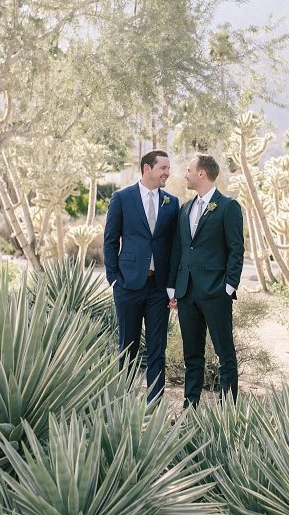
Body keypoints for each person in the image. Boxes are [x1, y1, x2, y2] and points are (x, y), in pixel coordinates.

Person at [168, 153, 244, 408]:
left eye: (189, 170)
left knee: (225, 354)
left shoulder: (227, 206)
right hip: (187, 293)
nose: (185, 174)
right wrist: (174, 288)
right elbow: (179, 250)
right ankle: (190, 407)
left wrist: (228, 286)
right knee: (192, 355)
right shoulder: (186, 209)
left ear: (201, 173)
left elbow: (236, 249)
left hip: (216, 292)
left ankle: (227, 410)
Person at [103, 150, 178, 401]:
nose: (168, 173)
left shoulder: (172, 202)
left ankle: (154, 404)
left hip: (158, 287)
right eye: (163, 168)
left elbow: (174, 245)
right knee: (127, 346)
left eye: (168, 168)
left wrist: (172, 286)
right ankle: (122, 401)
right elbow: (110, 240)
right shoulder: (122, 198)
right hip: (128, 285)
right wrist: (114, 278)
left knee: (157, 348)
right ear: (147, 168)